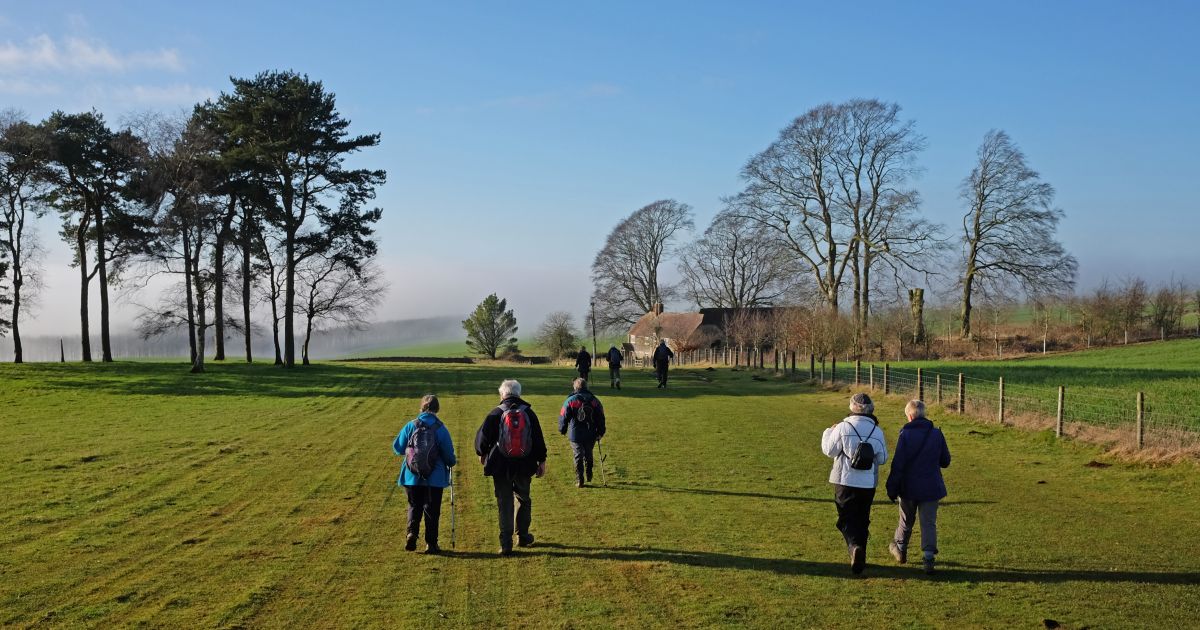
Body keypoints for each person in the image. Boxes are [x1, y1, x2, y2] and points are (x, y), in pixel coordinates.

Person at [475, 379, 549, 555]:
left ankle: (506, 543)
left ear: (502, 394)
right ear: (519, 393)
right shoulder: (529, 413)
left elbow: (482, 440)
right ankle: (522, 536)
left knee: (504, 502)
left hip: (501, 465)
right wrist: (542, 461)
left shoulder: (495, 413)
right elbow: (538, 439)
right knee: (523, 498)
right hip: (525, 463)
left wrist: (482, 454)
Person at [821, 392, 888, 575]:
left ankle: (854, 547)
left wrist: (828, 431)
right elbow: (882, 458)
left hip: (845, 480)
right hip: (867, 483)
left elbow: (829, 451)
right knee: (863, 518)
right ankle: (861, 553)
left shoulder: (843, 427)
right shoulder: (877, 431)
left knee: (845, 518)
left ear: (852, 407)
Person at [886, 400, 951, 575]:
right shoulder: (937, 434)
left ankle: (900, 548)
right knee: (928, 522)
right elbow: (945, 461)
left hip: (908, 487)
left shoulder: (904, 435)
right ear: (924, 414)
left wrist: (891, 488)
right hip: (931, 487)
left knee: (906, 519)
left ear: (909, 416)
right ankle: (928, 558)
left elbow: (898, 464)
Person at [392, 394, 457, 554]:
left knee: (414, 505)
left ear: (421, 408)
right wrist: (451, 461)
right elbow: (449, 457)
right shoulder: (441, 428)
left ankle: (412, 533)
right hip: (434, 478)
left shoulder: (410, 425)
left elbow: (398, 448)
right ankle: (431, 544)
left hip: (411, 475)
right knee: (432, 509)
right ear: (437, 409)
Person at [558, 378, 607, 487]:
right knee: (588, 453)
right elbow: (601, 417)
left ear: (575, 387)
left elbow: (563, 416)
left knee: (578, 455)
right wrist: (601, 431)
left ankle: (580, 479)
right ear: (586, 387)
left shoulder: (571, 400)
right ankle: (589, 473)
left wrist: (562, 429)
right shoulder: (595, 400)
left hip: (575, 433)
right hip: (591, 433)